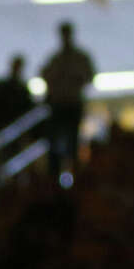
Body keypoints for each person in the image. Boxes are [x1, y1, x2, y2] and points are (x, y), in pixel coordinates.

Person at [39, 22, 95, 176]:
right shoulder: (57, 58)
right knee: (55, 143)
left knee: (72, 142)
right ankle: (55, 175)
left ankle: (73, 172)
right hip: (60, 105)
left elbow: (89, 76)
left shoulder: (77, 58)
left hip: (71, 104)